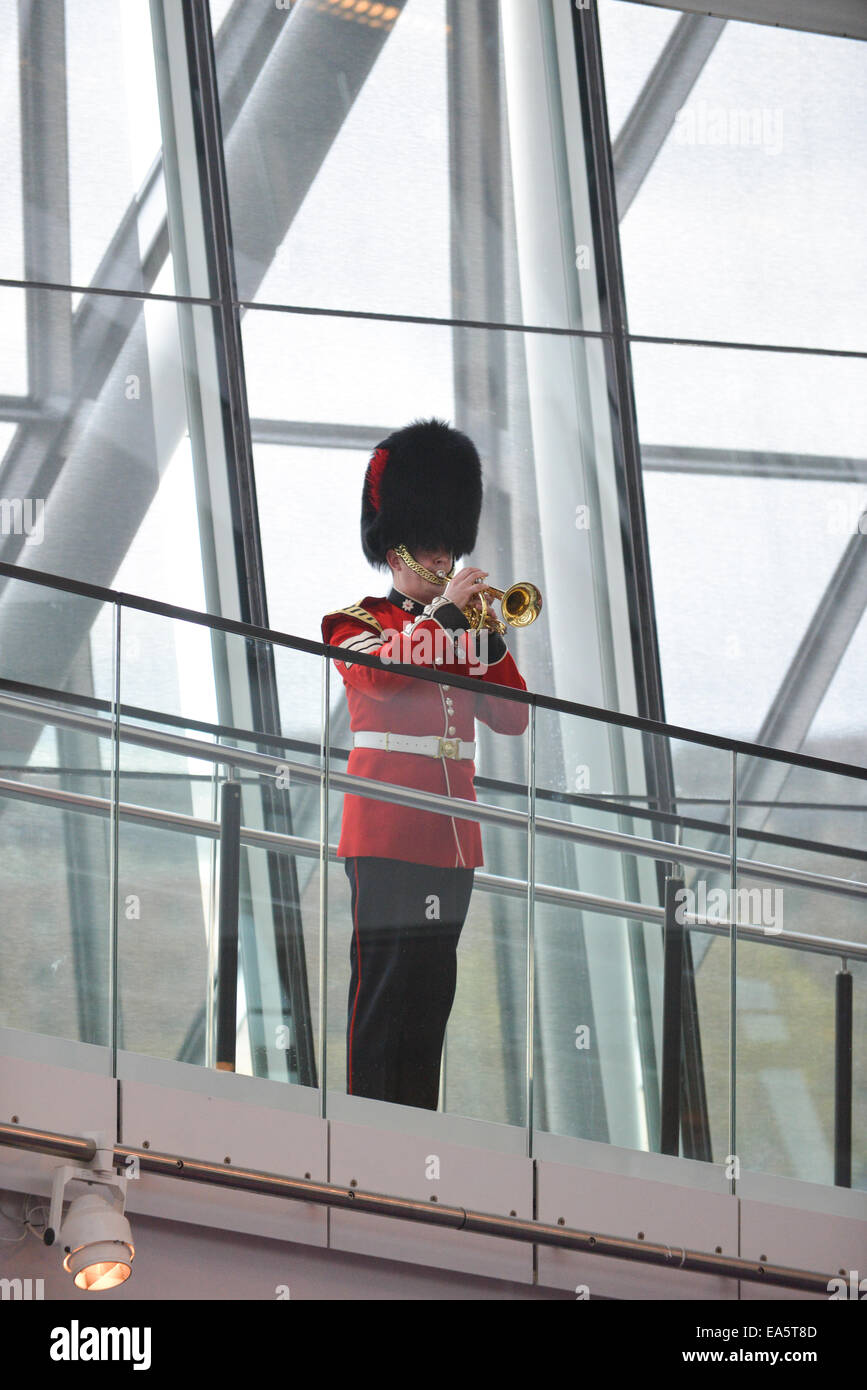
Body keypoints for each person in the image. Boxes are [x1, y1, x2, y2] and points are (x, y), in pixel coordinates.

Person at [321, 418, 529, 1111]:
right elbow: (381, 678)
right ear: (394, 547)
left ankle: (415, 1133)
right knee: (381, 992)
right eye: (429, 548)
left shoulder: (462, 629)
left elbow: (511, 717)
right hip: (384, 830)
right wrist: (443, 617)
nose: (442, 560)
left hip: (450, 838)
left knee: (429, 1000)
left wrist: (489, 635)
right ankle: (366, 1131)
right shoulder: (357, 622)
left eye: (448, 548)